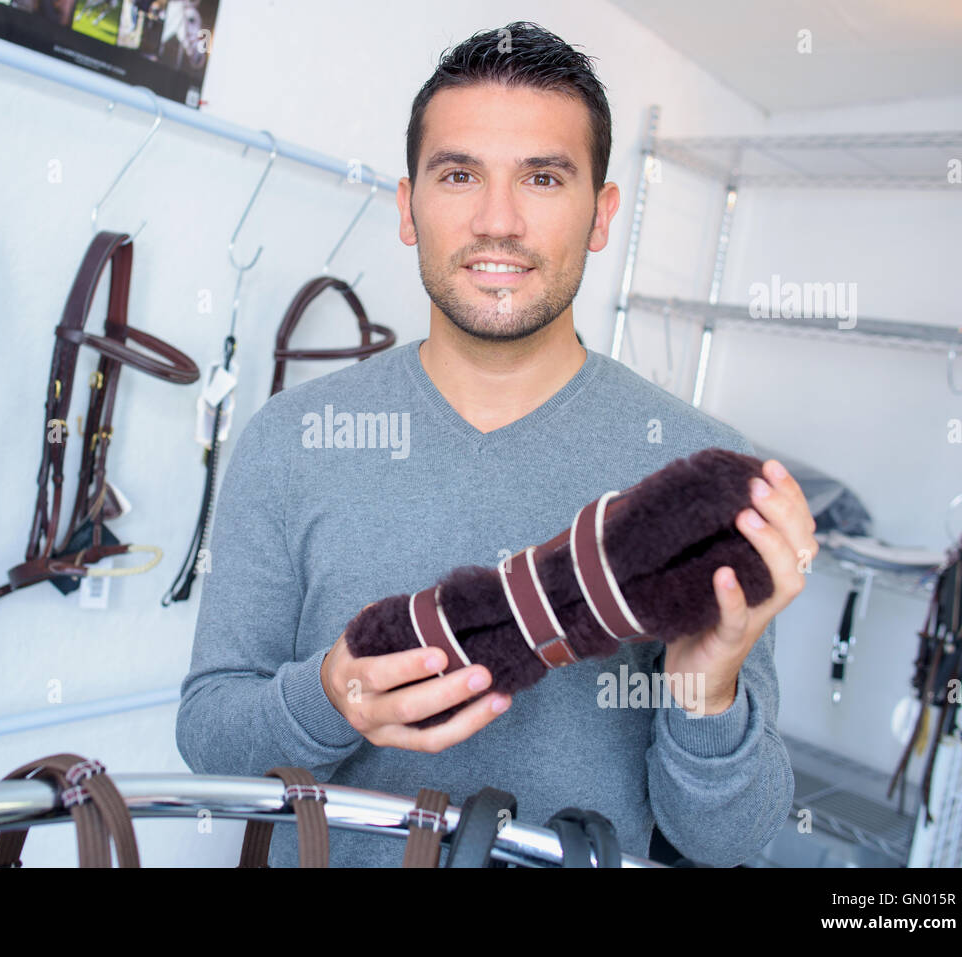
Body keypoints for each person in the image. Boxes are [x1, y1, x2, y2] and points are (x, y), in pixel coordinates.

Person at [176, 20, 815, 868]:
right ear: (408, 208)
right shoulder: (288, 442)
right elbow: (210, 740)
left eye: (544, 177)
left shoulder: (700, 476)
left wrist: (708, 683)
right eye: (459, 173)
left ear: (601, 213)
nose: (498, 220)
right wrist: (330, 700)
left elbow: (728, 838)